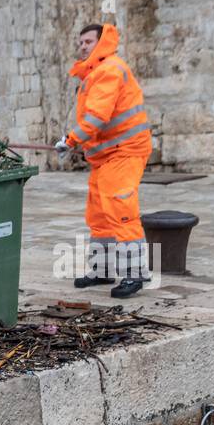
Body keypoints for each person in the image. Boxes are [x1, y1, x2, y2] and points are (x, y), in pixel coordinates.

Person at [55, 23, 153, 298]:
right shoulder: (97, 72)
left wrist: (70, 140)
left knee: (122, 211)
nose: (83, 46)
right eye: (81, 42)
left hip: (125, 151)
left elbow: (98, 117)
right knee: (99, 215)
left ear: (102, 42)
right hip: (106, 156)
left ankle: (135, 275)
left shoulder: (109, 70)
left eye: (88, 41)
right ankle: (103, 269)